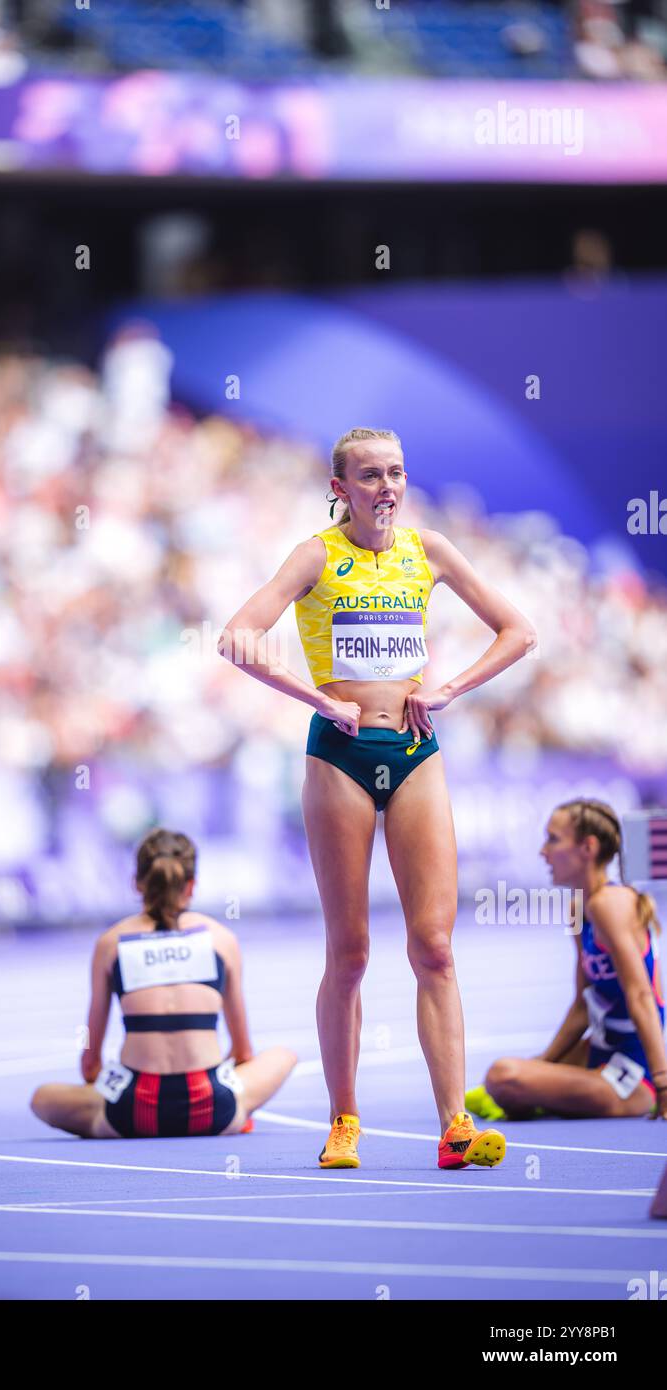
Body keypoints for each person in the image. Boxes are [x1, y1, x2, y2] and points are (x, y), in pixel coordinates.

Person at [218, 427, 538, 1169]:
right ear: (341, 489)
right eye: (369, 476)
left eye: (395, 472)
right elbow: (237, 637)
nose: (386, 487)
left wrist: (450, 686)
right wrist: (318, 699)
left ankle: (454, 1126)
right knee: (352, 952)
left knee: (434, 947)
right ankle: (344, 1118)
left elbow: (519, 630)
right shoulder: (315, 555)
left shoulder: (428, 551)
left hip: (416, 751)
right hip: (341, 757)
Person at [31, 829, 297, 1139]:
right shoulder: (221, 939)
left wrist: (108, 1084)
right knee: (284, 1055)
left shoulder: (111, 943)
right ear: (192, 885)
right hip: (212, 1107)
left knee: (42, 1098)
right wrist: (221, 1078)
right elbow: (243, 1051)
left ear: (137, 882)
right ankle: (237, 1109)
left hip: (131, 1111)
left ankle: (110, 1116)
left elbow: (90, 1064)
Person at [466, 799, 667, 1122]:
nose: (543, 852)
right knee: (520, 1072)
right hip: (598, 1052)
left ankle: (531, 1098)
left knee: (504, 1076)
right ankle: (532, 1094)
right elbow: (582, 1006)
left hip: (632, 1073)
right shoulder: (579, 907)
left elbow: (641, 995)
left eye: (553, 839)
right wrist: (545, 1064)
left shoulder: (609, 904)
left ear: (587, 847)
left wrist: (662, 1081)